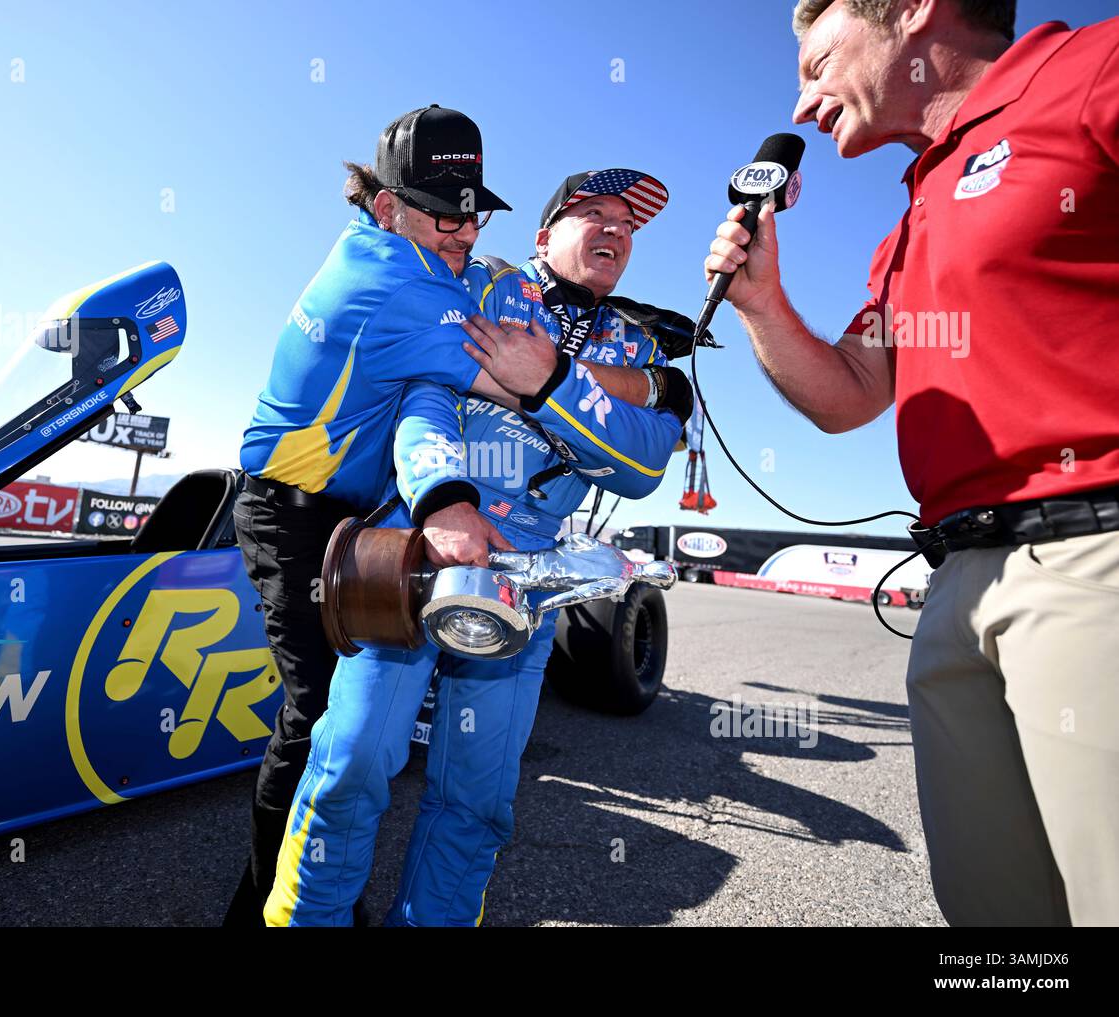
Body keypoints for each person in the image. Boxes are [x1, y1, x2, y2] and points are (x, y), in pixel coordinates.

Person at [704, 0, 1119, 925]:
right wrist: (761, 303)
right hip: (953, 585)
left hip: (1096, 560)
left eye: (818, 64)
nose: (805, 104)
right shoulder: (914, 213)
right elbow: (852, 391)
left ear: (915, 12)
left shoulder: (1092, 69)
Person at [225, 109, 654, 925]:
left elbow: (601, 420)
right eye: (444, 210)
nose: (463, 228)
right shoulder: (412, 284)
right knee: (323, 728)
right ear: (388, 207)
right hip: (304, 514)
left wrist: (618, 381)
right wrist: (650, 389)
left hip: (370, 517)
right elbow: (506, 381)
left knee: (401, 761)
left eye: (473, 209)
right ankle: (268, 915)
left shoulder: (431, 266)